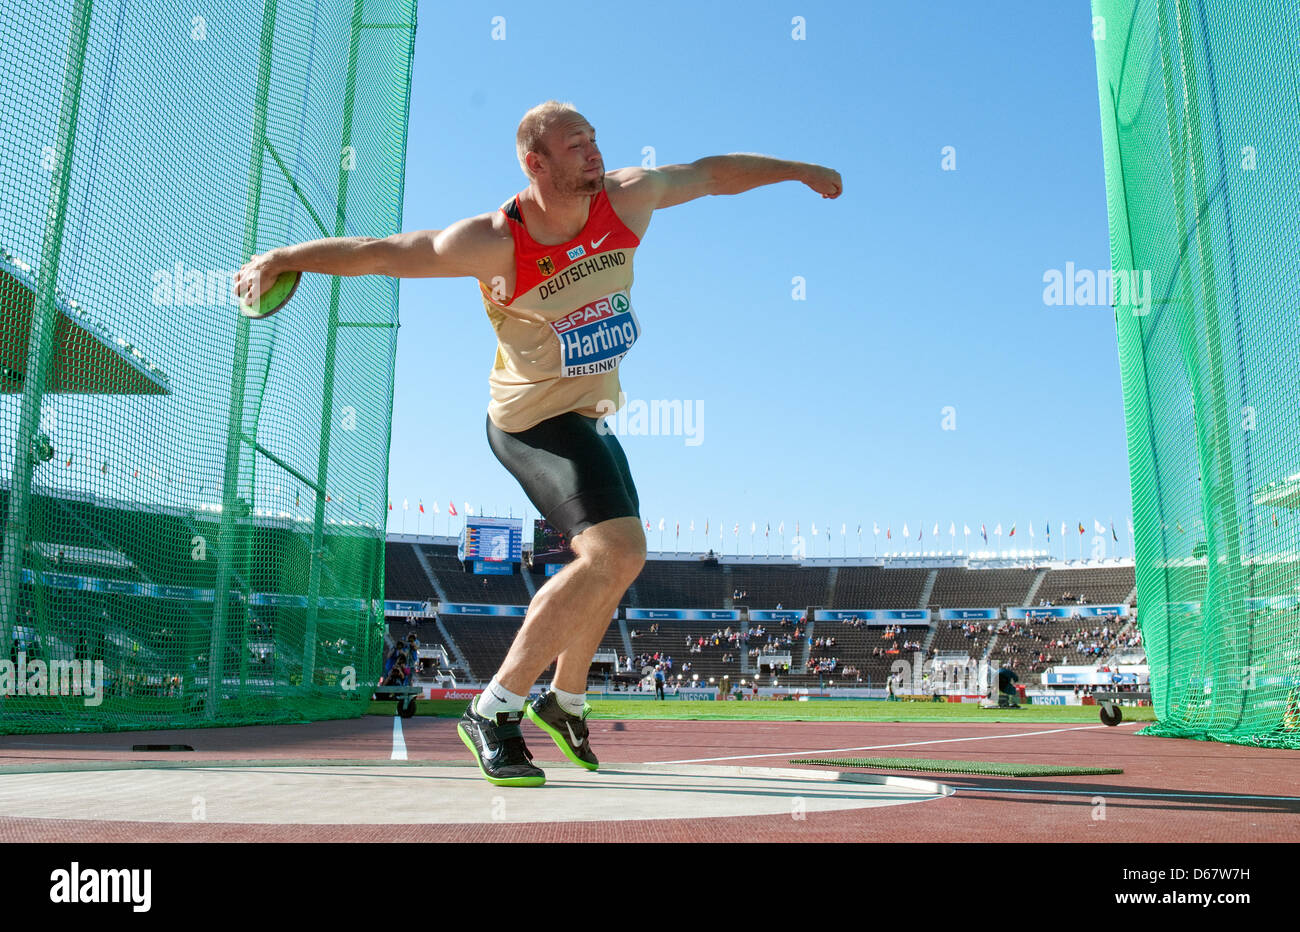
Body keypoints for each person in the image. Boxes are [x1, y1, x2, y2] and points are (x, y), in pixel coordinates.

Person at [237, 100, 841, 788]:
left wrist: (800, 169)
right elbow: (383, 253)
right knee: (617, 550)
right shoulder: (494, 242)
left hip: (588, 417)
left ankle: (567, 697)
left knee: (617, 562)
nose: (593, 153)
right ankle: (493, 710)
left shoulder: (628, 199)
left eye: (594, 140)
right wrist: (287, 257)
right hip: (527, 422)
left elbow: (710, 173)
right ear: (536, 162)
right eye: (575, 144)